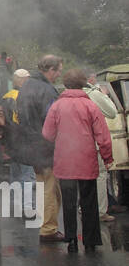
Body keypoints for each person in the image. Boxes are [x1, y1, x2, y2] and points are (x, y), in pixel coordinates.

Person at [42, 67, 114, 253]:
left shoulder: (57, 105)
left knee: (69, 201)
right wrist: (107, 157)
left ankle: (72, 239)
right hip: (87, 159)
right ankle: (90, 241)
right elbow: (103, 135)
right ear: (83, 84)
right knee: (89, 200)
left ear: (66, 84)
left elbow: (47, 134)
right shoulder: (90, 105)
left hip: (65, 160)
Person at [15, 55, 64, 242]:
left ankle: (47, 226)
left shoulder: (26, 86)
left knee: (44, 185)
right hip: (46, 145)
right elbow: (53, 120)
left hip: (31, 145)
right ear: (50, 70)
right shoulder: (46, 90)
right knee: (50, 188)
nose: (59, 74)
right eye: (58, 70)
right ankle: (49, 229)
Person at [83, 69, 118, 233]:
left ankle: (84, 207)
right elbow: (112, 112)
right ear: (90, 78)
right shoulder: (94, 93)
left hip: (75, 143)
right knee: (100, 174)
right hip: (93, 142)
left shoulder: (69, 95)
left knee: (82, 176)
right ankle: (100, 211)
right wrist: (103, 94)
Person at [1, 68, 35, 188]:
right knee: (27, 175)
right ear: (22, 80)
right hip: (24, 142)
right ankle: (28, 206)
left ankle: (15, 203)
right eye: (27, 79)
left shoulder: (6, 96)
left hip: (11, 142)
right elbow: (25, 122)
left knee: (14, 175)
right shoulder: (23, 97)